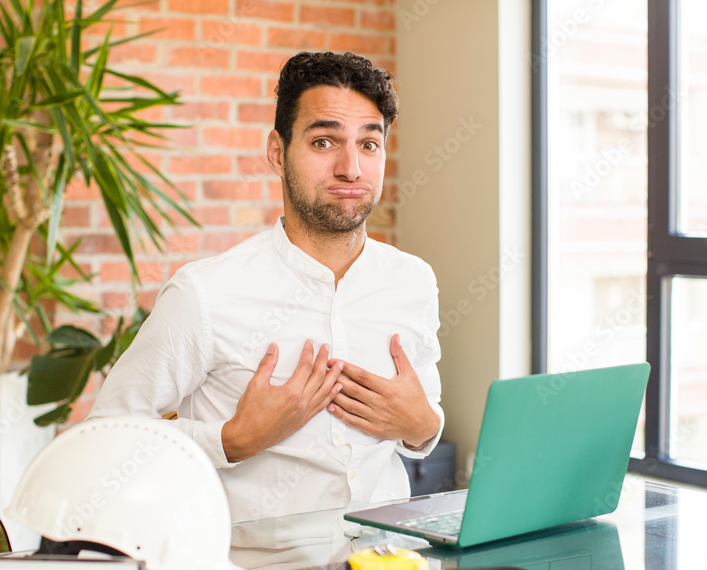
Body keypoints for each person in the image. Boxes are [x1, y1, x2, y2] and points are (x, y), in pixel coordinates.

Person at [88, 51, 444, 522]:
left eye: (369, 145)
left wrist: (422, 427)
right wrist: (233, 440)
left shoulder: (413, 281)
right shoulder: (205, 294)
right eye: (323, 142)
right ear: (278, 152)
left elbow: (423, 422)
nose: (351, 169)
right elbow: (106, 437)